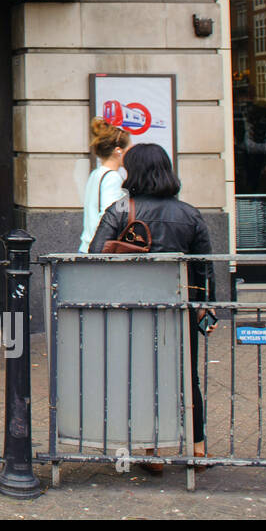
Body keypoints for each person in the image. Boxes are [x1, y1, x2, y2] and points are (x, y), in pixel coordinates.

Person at [90, 143, 214, 464]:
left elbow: (92, 257)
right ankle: (198, 448)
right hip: (179, 308)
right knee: (188, 376)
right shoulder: (190, 214)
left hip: (133, 308)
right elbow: (205, 269)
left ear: (134, 172)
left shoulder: (119, 210)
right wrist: (205, 307)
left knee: (143, 374)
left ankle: (152, 450)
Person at [79, 117, 131, 252]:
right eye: (128, 149)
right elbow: (110, 217)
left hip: (88, 246)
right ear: (118, 150)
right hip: (100, 250)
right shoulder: (113, 178)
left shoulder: (96, 174)